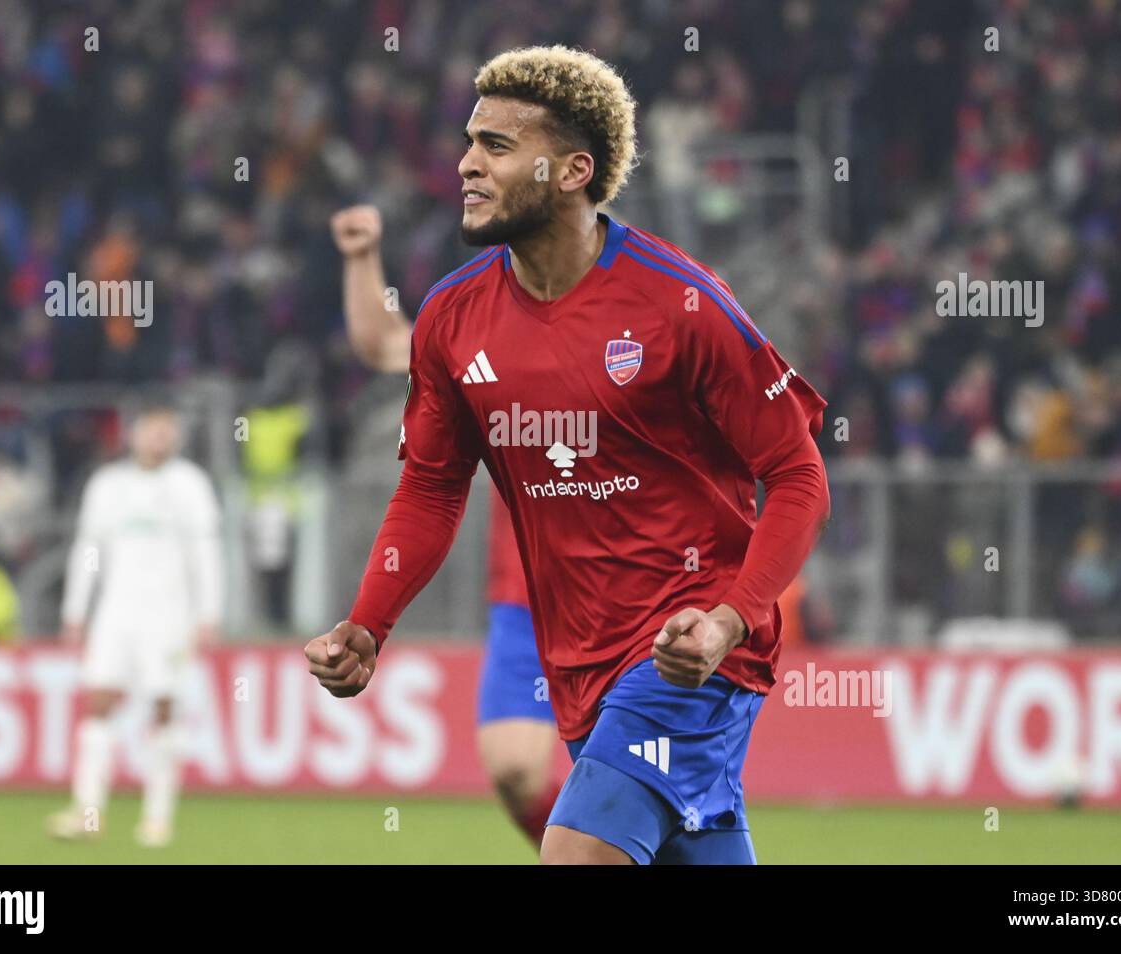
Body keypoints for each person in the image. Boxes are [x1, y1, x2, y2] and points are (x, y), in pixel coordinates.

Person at [307, 46, 830, 865]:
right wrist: (370, 623)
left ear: (574, 170)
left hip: (689, 649)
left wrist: (731, 618)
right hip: (577, 658)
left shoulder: (680, 302)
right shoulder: (453, 315)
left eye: (497, 147)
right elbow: (431, 488)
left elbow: (797, 474)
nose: (467, 165)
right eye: (469, 143)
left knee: (577, 853)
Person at [330, 204, 561, 845]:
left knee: (645, 780)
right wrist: (360, 258)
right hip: (525, 598)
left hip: (631, 592)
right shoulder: (477, 322)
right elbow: (382, 344)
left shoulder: (635, 317)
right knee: (516, 769)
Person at [47, 400, 223, 847]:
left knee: (164, 706)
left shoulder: (190, 484)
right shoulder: (108, 485)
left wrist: (209, 612)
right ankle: (88, 813)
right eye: (151, 429)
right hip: (116, 613)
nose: (159, 438)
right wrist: (75, 608)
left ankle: (157, 818)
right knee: (99, 701)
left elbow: (206, 554)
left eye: (167, 430)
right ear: (133, 434)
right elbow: (88, 549)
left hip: (168, 614)